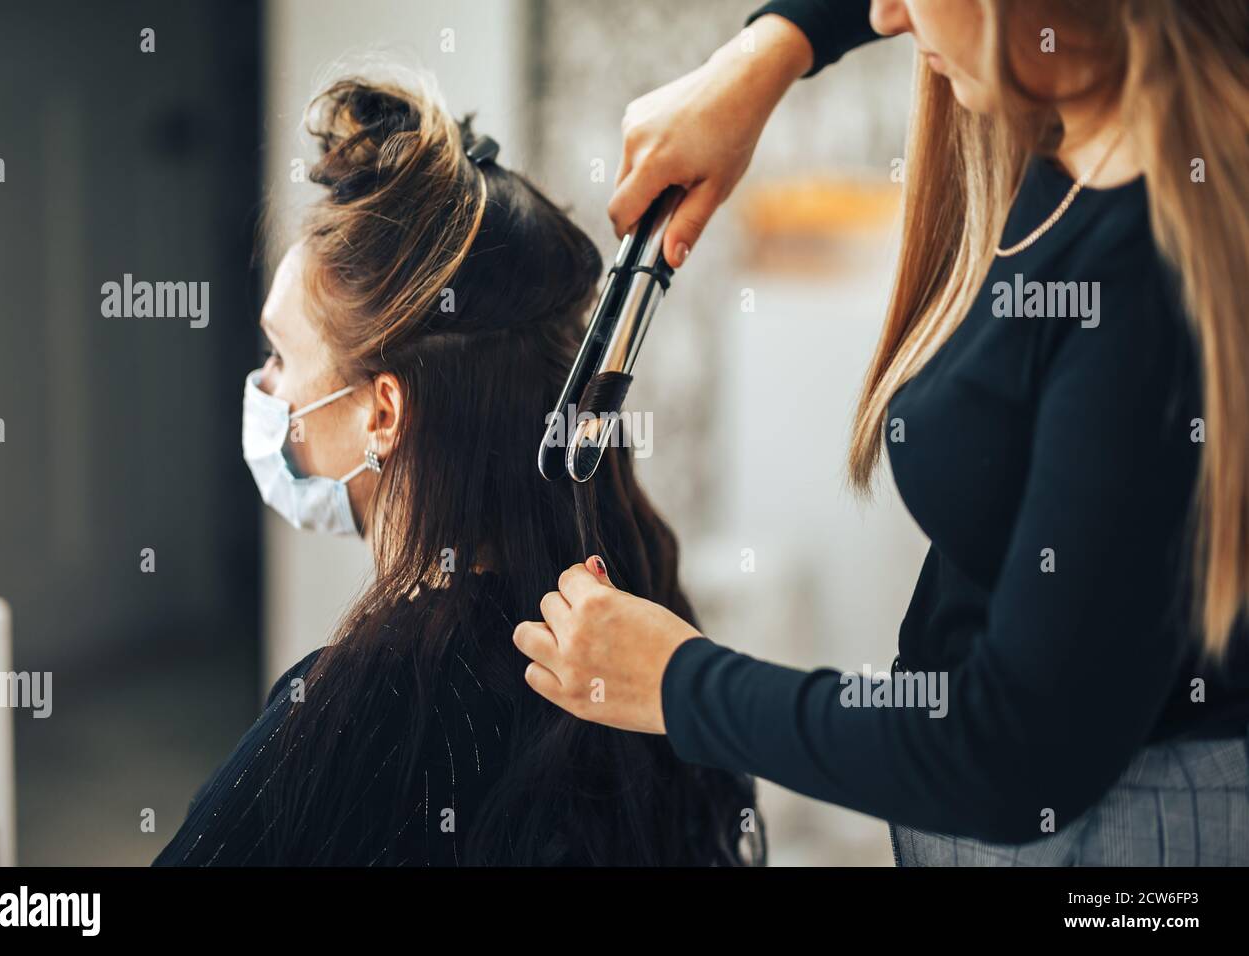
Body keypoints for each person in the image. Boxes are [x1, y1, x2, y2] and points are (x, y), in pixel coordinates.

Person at [514, 0, 1249, 865]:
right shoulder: (1065, 131)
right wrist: (766, 55)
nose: (884, 13)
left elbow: (1016, 759)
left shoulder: (1149, 281)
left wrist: (679, 686)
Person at [153, 72, 763, 866]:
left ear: (383, 413)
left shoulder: (359, 711)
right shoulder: (636, 629)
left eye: (279, 354)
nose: (265, 387)